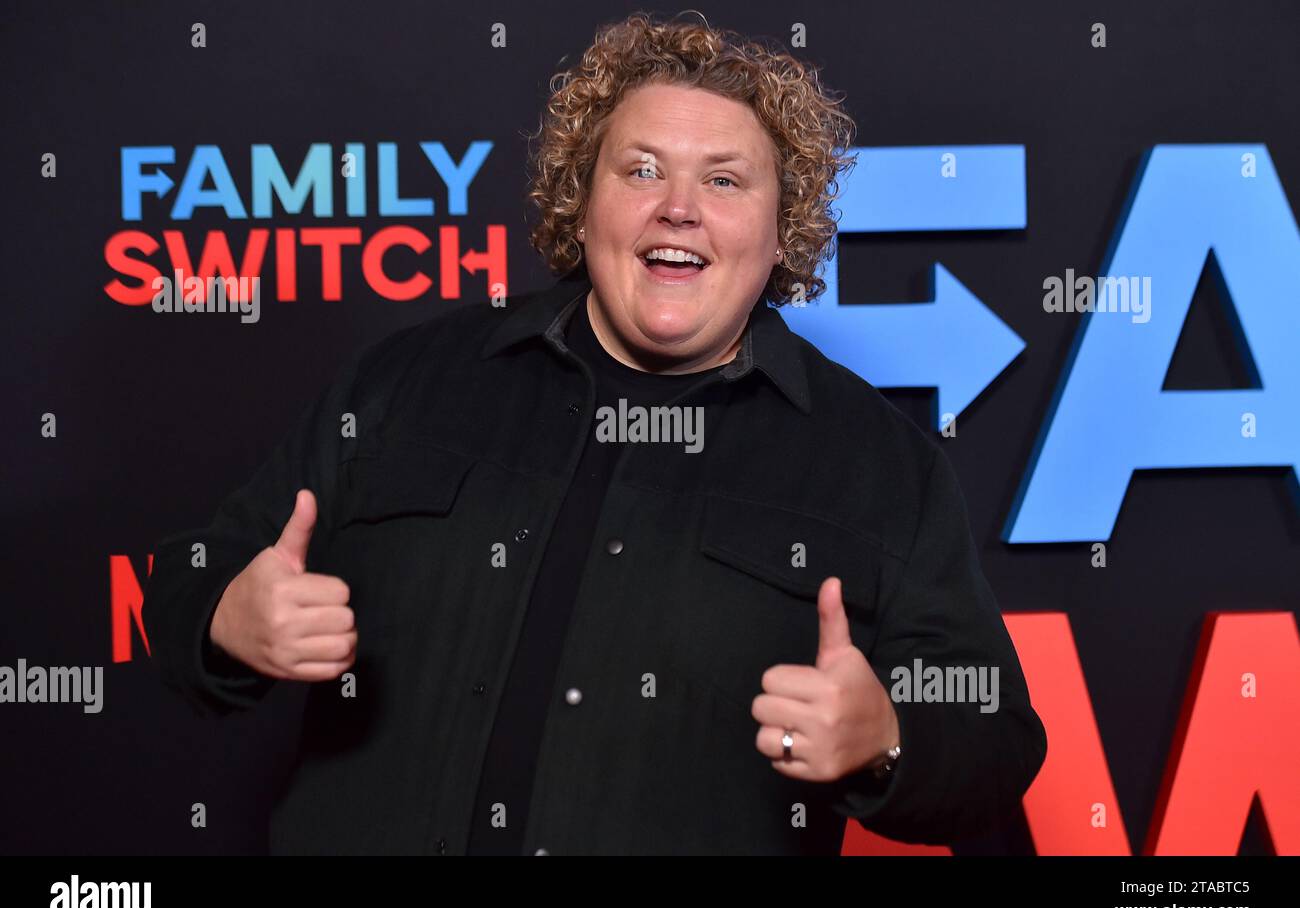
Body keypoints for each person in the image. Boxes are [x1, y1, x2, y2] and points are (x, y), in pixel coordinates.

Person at [144, 11, 1046, 855]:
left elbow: (997, 742)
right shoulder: (404, 383)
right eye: (642, 169)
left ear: (784, 235)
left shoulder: (878, 464)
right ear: (583, 203)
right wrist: (227, 614)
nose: (678, 208)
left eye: (724, 179)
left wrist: (886, 740)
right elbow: (189, 578)